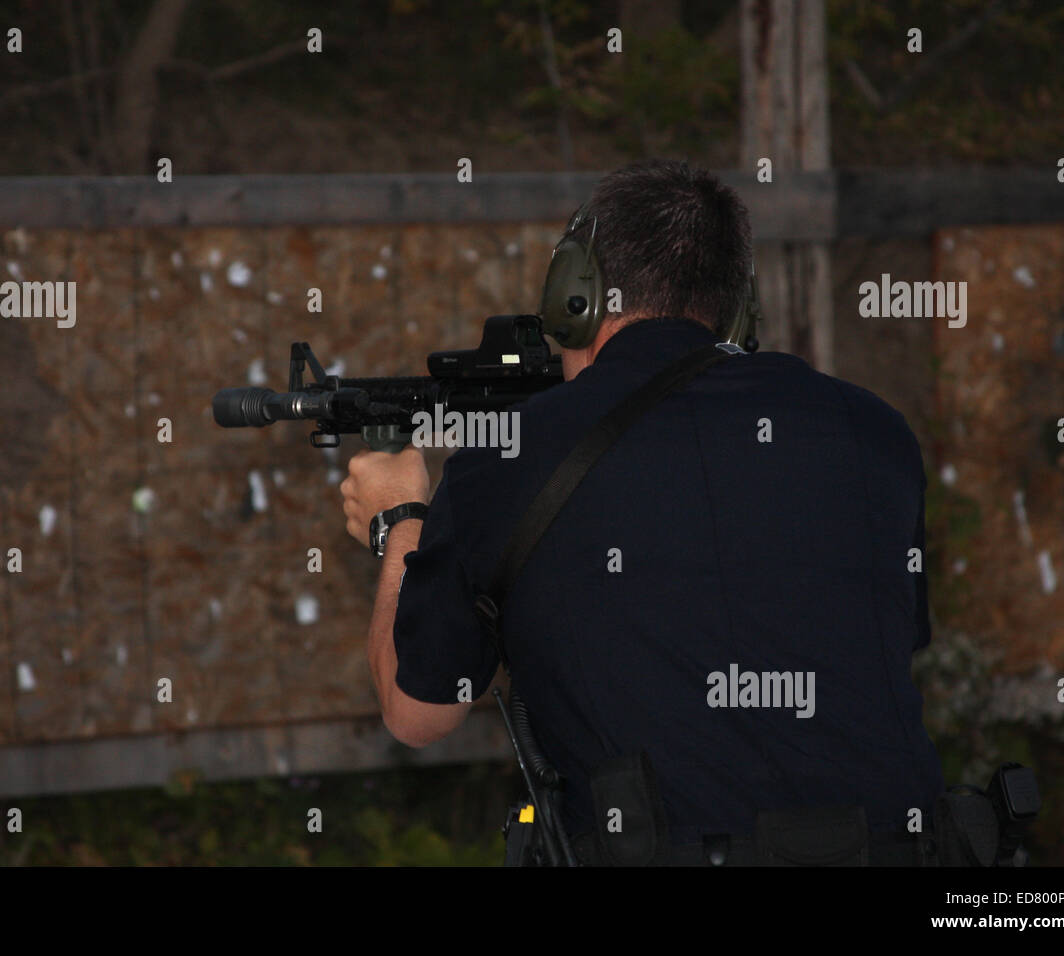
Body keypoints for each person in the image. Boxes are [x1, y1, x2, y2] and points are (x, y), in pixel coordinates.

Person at [339, 159, 945, 862]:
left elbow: (417, 713)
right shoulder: (873, 432)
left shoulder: (513, 456)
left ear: (577, 294)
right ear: (739, 307)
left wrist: (399, 522)